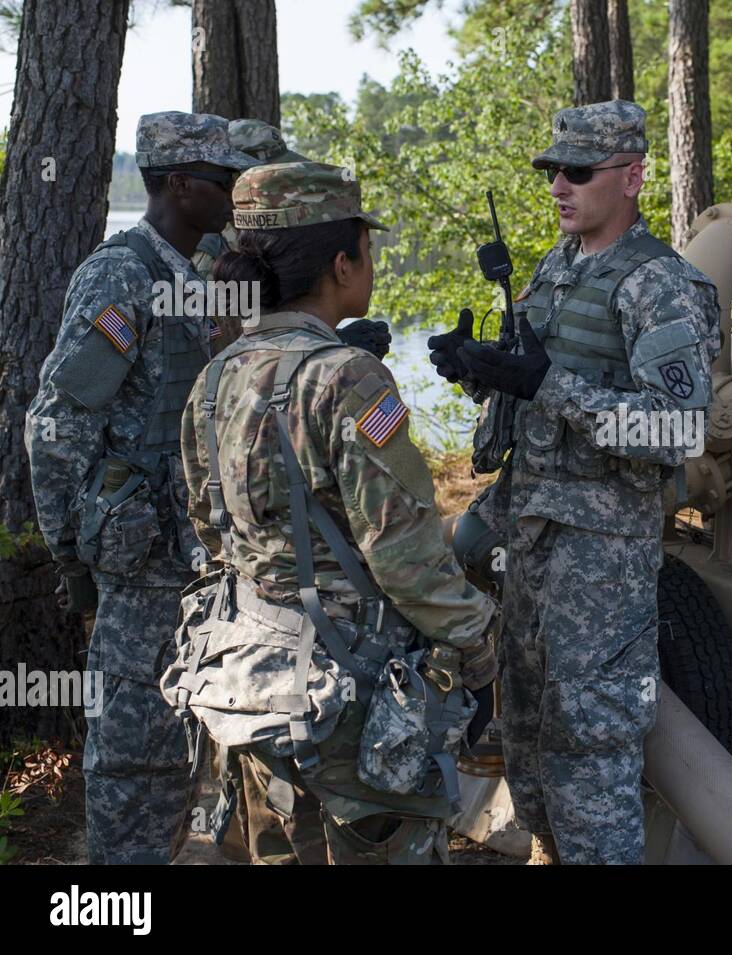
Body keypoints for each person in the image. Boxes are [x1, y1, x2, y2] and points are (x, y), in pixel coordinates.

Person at [171, 161, 496, 864]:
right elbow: (405, 555)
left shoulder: (216, 375)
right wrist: (477, 641)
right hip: (350, 707)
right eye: (367, 250)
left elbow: (211, 528)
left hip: (245, 686)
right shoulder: (347, 376)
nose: (371, 264)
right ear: (342, 264)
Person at [427, 100, 720, 864]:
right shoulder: (559, 267)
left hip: (602, 554)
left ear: (631, 177)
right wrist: (475, 367)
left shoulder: (660, 285)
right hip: (530, 534)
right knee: (527, 739)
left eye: (577, 173)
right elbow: (531, 378)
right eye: (551, 171)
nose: (559, 186)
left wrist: (548, 384)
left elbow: (678, 429)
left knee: (589, 752)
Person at [24, 111, 257, 864]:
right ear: (179, 184)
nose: (233, 194)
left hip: (196, 564)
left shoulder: (198, 275)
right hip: (139, 565)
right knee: (132, 768)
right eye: (222, 181)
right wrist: (73, 551)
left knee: (182, 760)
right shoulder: (125, 275)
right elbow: (56, 423)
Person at [193, 119, 392, 361]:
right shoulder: (208, 251)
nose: (283, 189)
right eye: (271, 175)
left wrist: (328, 339)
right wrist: (333, 346)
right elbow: (209, 341)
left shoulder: (273, 240)